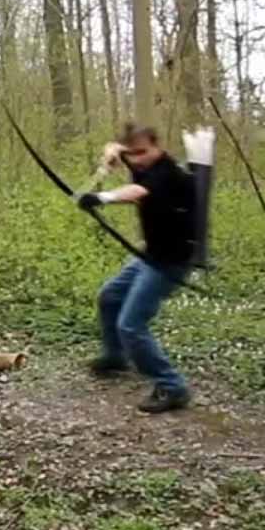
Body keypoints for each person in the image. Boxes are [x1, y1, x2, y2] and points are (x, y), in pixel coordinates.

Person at [76, 124, 197, 414]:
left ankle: (172, 387)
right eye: (133, 153)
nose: (137, 159)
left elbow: (137, 191)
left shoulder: (169, 172)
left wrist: (102, 197)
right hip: (148, 255)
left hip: (170, 261)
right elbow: (116, 151)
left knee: (131, 325)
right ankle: (115, 357)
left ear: (157, 146)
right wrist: (111, 153)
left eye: (143, 152)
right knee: (109, 297)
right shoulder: (143, 160)